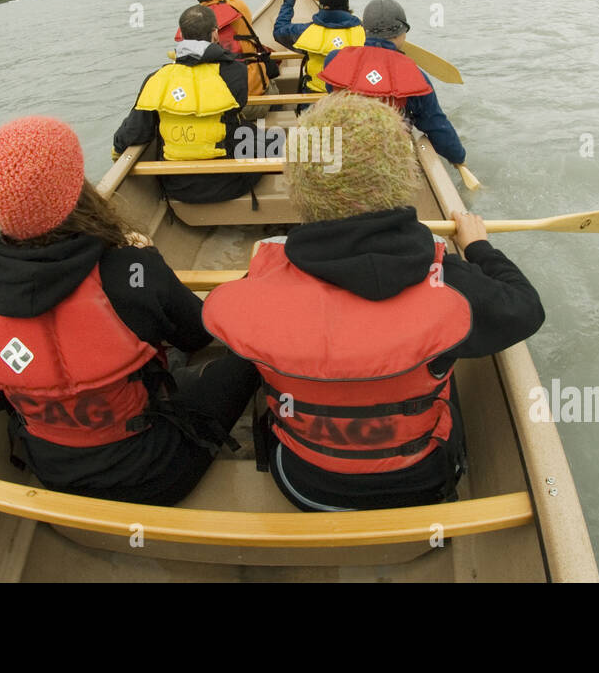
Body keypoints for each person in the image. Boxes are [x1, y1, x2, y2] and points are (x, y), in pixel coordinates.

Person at [203, 93, 545, 511]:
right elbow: (525, 308)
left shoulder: (260, 278)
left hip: (302, 485)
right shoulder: (448, 280)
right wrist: (478, 248)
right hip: (423, 485)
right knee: (442, 354)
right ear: (401, 178)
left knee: (256, 354)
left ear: (300, 183)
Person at [0, 115, 260, 505]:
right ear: (77, 189)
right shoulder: (131, 269)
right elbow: (200, 333)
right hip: (158, 473)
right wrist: (146, 258)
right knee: (251, 356)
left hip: (51, 473)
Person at [114, 5, 261, 203]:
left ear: (182, 35)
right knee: (272, 138)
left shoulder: (156, 79)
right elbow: (238, 107)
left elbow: (132, 134)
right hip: (230, 181)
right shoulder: (236, 71)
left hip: (178, 186)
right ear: (215, 34)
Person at [321, 0, 467, 169]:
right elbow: (436, 125)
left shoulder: (334, 59)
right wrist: (458, 157)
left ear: (364, 30)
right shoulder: (414, 76)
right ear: (401, 33)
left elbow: (332, 88)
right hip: (388, 164)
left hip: (343, 154)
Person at [185, 0, 277, 103]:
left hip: (213, 102)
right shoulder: (238, 7)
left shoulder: (191, 20)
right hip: (251, 101)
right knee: (274, 88)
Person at [272, 0, 366, 95]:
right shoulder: (363, 32)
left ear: (322, 5)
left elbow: (279, 30)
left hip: (314, 102)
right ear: (346, 4)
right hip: (352, 100)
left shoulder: (306, 32)